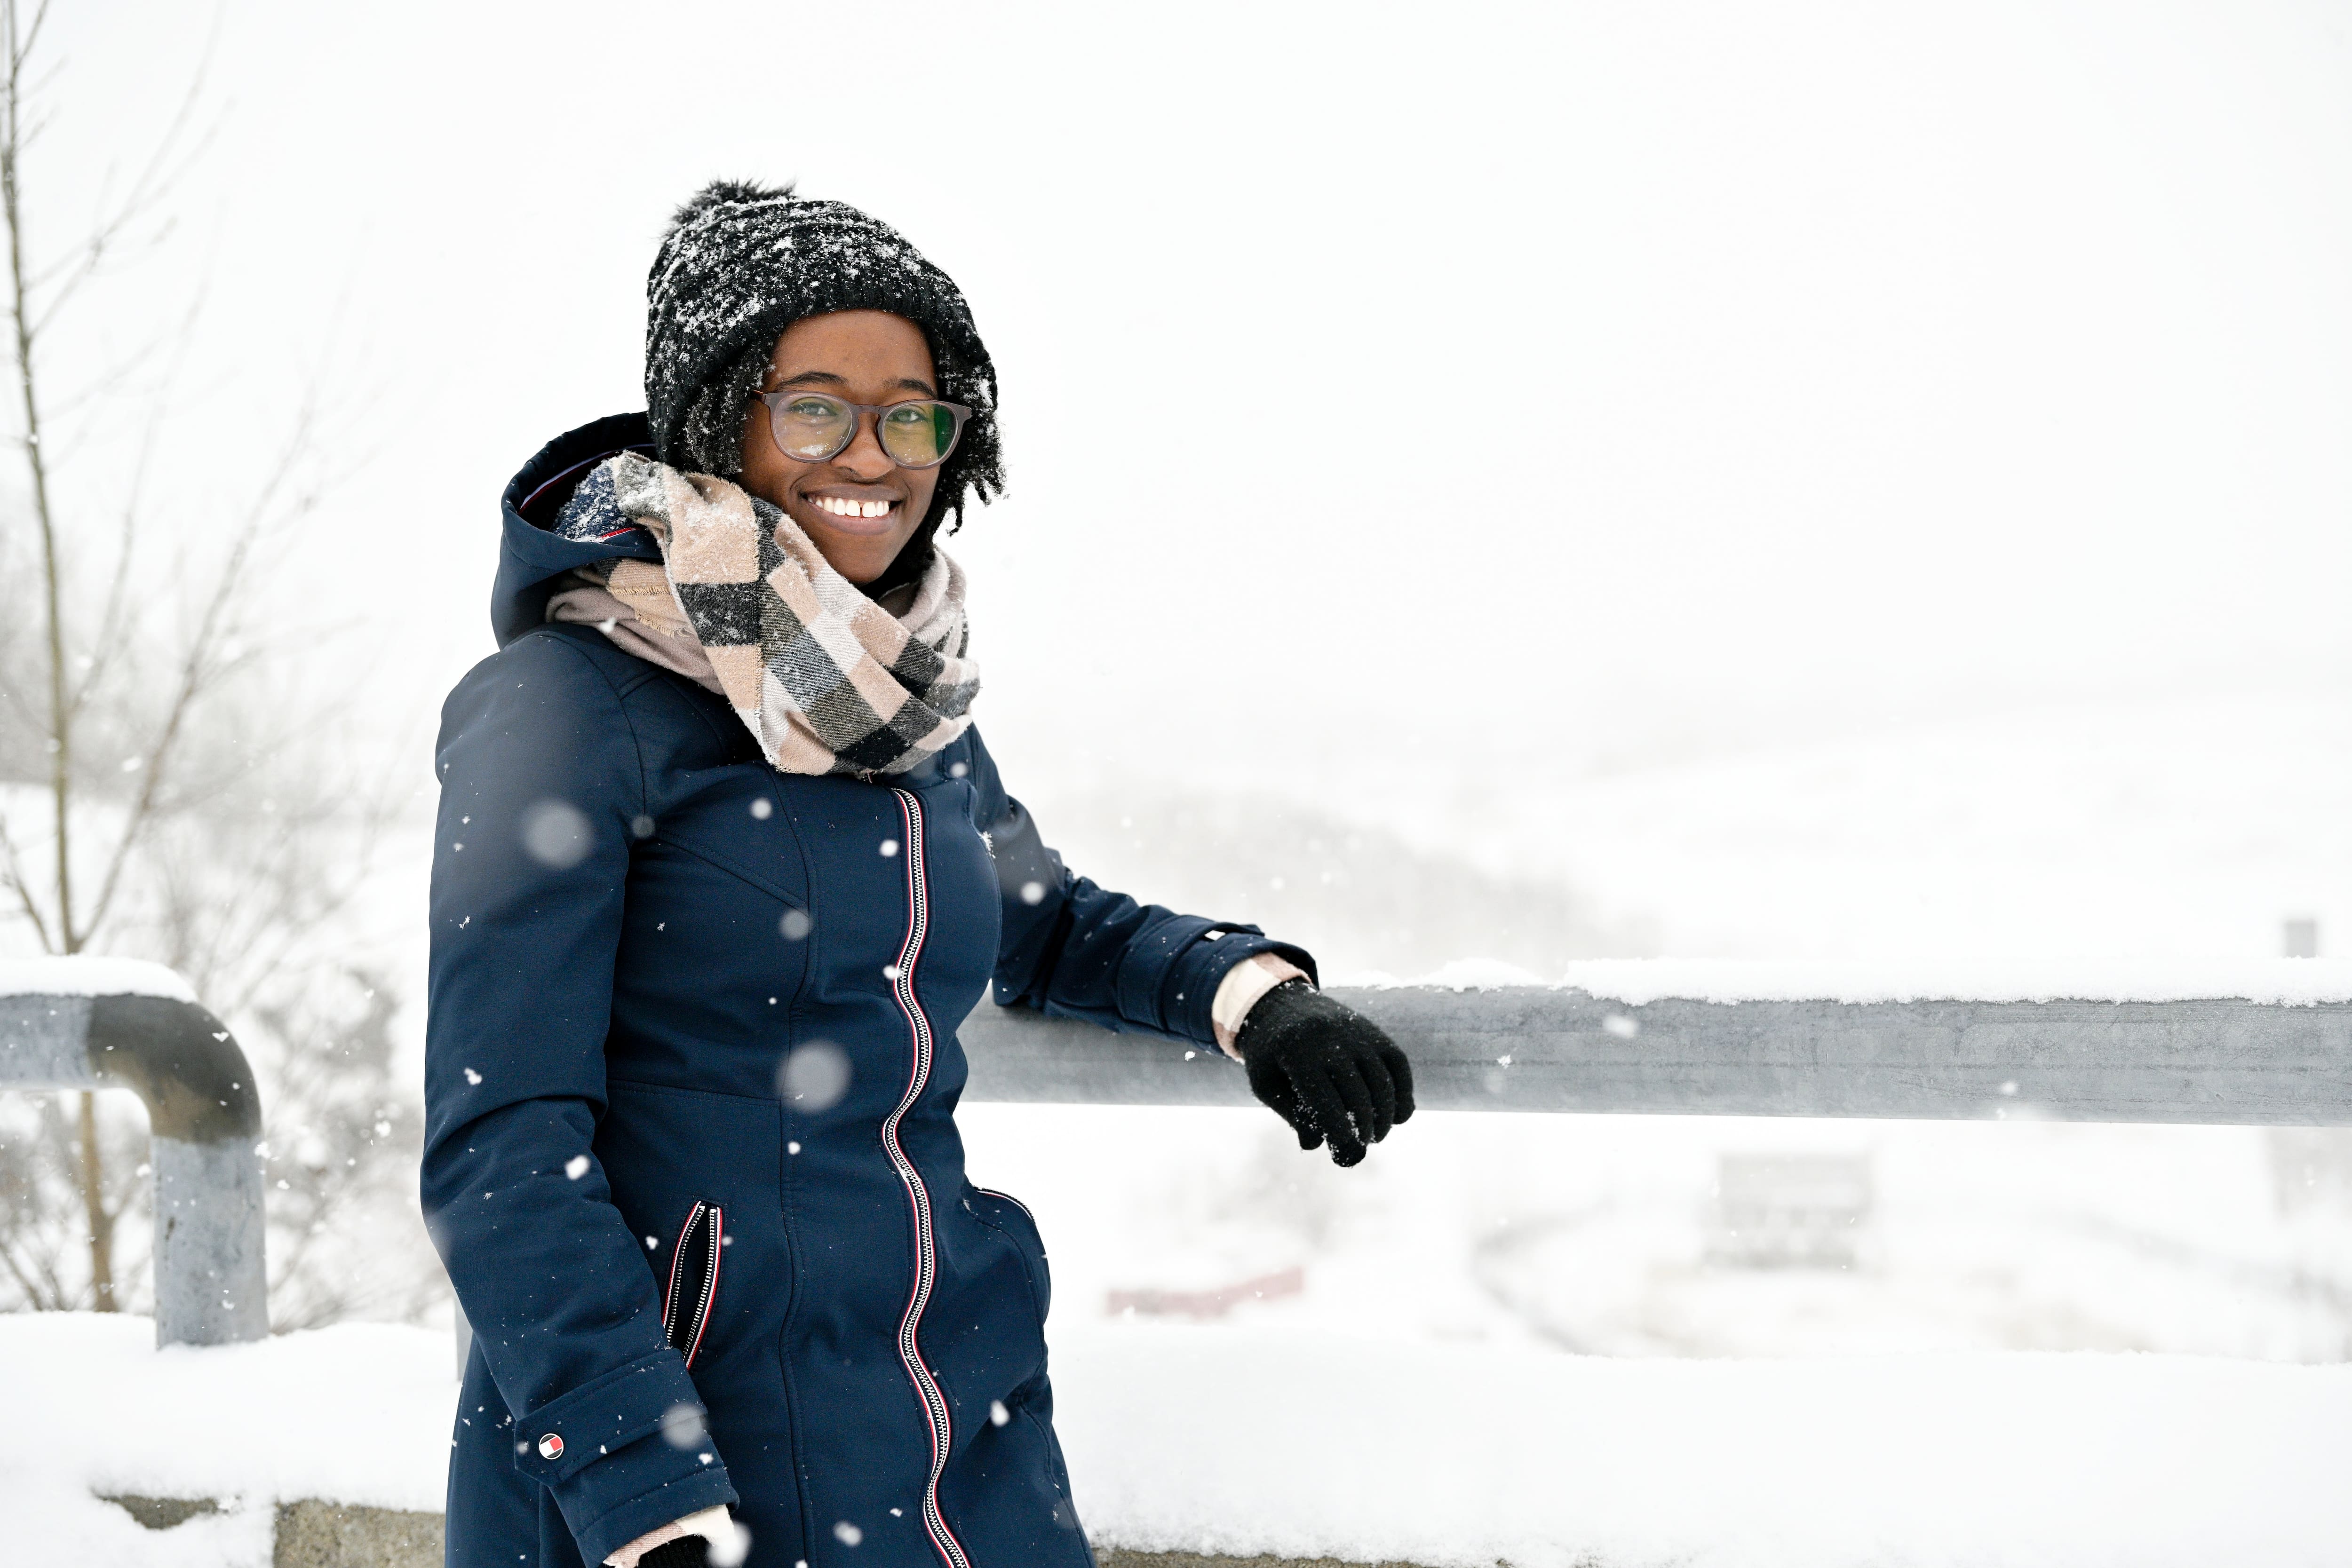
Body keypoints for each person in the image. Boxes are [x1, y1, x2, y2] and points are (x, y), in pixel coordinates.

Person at [422, 181, 1415, 1568]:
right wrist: (639, 1482)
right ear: (720, 420)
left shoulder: (898, 706)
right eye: (816, 403)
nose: (875, 452)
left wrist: (1249, 996)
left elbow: (1045, 926)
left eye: (916, 411)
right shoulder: (563, 707)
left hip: (950, 1427)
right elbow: (501, 1141)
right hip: (681, 1460)